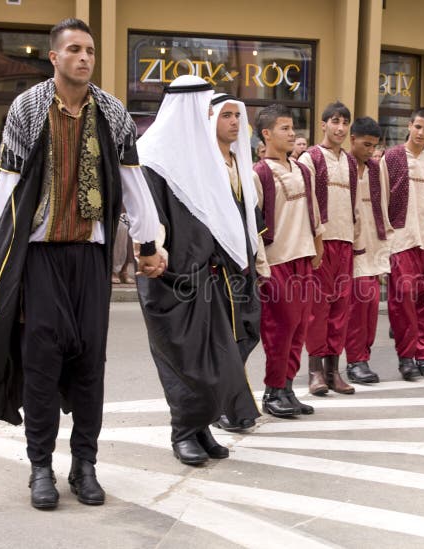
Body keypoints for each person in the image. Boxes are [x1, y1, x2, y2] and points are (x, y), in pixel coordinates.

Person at [0, 18, 165, 510]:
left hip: (89, 255)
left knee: (89, 364)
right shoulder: (28, 108)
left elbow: (131, 181)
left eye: (91, 51)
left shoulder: (114, 113)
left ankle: (85, 465)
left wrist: (148, 244)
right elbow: (11, 186)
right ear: (53, 57)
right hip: (38, 256)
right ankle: (41, 467)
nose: (84, 58)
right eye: (74, 49)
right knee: (40, 363)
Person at [136, 76, 256, 465]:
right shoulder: (152, 155)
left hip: (207, 274)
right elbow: (144, 212)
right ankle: (183, 432)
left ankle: (201, 428)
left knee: (212, 359)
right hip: (169, 277)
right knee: (181, 359)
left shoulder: (203, 158)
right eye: (206, 109)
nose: (211, 116)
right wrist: (153, 251)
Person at [253, 104, 324, 418]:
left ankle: (287, 388)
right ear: (267, 134)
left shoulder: (302, 169)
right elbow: (253, 224)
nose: (292, 133)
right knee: (279, 329)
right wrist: (260, 264)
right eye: (284, 128)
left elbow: (315, 214)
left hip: (303, 257)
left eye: (292, 127)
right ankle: (272, 391)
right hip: (277, 260)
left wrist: (317, 246)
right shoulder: (260, 173)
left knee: (299, 328)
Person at [298, 101, 362, 396]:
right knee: (317, 310)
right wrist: (313, 242)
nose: (340, 127)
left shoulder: (350, 162)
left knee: (341, 309)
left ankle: (334, 370)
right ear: (323, 124)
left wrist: (357, 240)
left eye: (345, 122)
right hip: (321, 244)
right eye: (335, 121)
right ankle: (314, 371)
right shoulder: (310, 158)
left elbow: (357, 206)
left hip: (346, 241)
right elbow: (307, 204)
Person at [208, 91, 263, 432]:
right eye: (226, 115)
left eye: (237, 116)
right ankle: (227, 407)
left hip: (244, 266)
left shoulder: (239, 163)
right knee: (225, 339)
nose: (233, 122)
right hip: (216, 270)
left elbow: (252, 217)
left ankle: (223, 402)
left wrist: (259, 260)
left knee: (248, 331)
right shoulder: (205, 165)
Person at [381, 107, 424, 381]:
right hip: (402, 239)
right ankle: (406, 357)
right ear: (409, 126)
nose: (421, 133)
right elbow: (382, 200)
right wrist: (384, 241)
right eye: (417, 127)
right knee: (403, 301)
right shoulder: (392, 158)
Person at [344, 116, 391, 384]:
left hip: (373, 248)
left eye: (374, 146)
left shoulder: (375, 169)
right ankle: (351, 361)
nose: (370, 150)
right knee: (353, 309)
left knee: (370, 307)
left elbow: (382, 209)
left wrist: (386, 250)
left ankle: (362, 358)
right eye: (365, 144)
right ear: (352, 139)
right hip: (346, 247)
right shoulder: (342, 166)